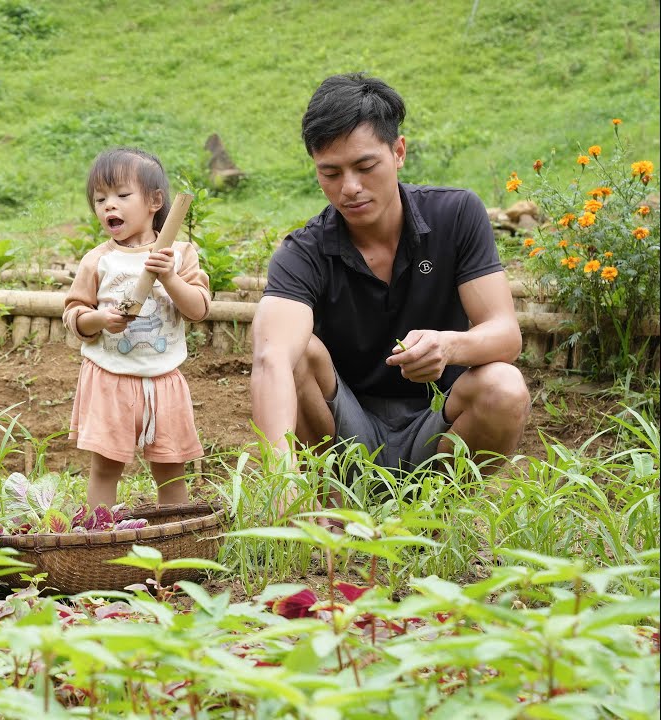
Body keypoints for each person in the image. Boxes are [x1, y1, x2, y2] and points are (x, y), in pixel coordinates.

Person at [251, 73, 529, 495]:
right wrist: (279, 478)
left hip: (440, 419)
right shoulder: (303, 252)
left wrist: (448, 346)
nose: (350, 189)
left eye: (365, 167)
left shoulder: (455, 215)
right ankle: (330, 505)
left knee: (505, 386)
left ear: (398, 152)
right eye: (330, 173)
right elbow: (272, 358)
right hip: (344, 431)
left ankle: (436, 513)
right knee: (298, 352)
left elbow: (505, 334)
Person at [63, 147, 212, 509]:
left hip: (163, 380)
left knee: (170, 468)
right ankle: (99, 540)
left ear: (155, 201)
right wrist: (101, 319)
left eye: (122, 195)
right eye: (100, 199)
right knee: (105, 468)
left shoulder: (179, 253)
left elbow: (198, 309)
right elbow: (74, 313)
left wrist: (170, 277)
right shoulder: (99, 260)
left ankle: (175, 538)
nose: (109, 206)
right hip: (109, 378)